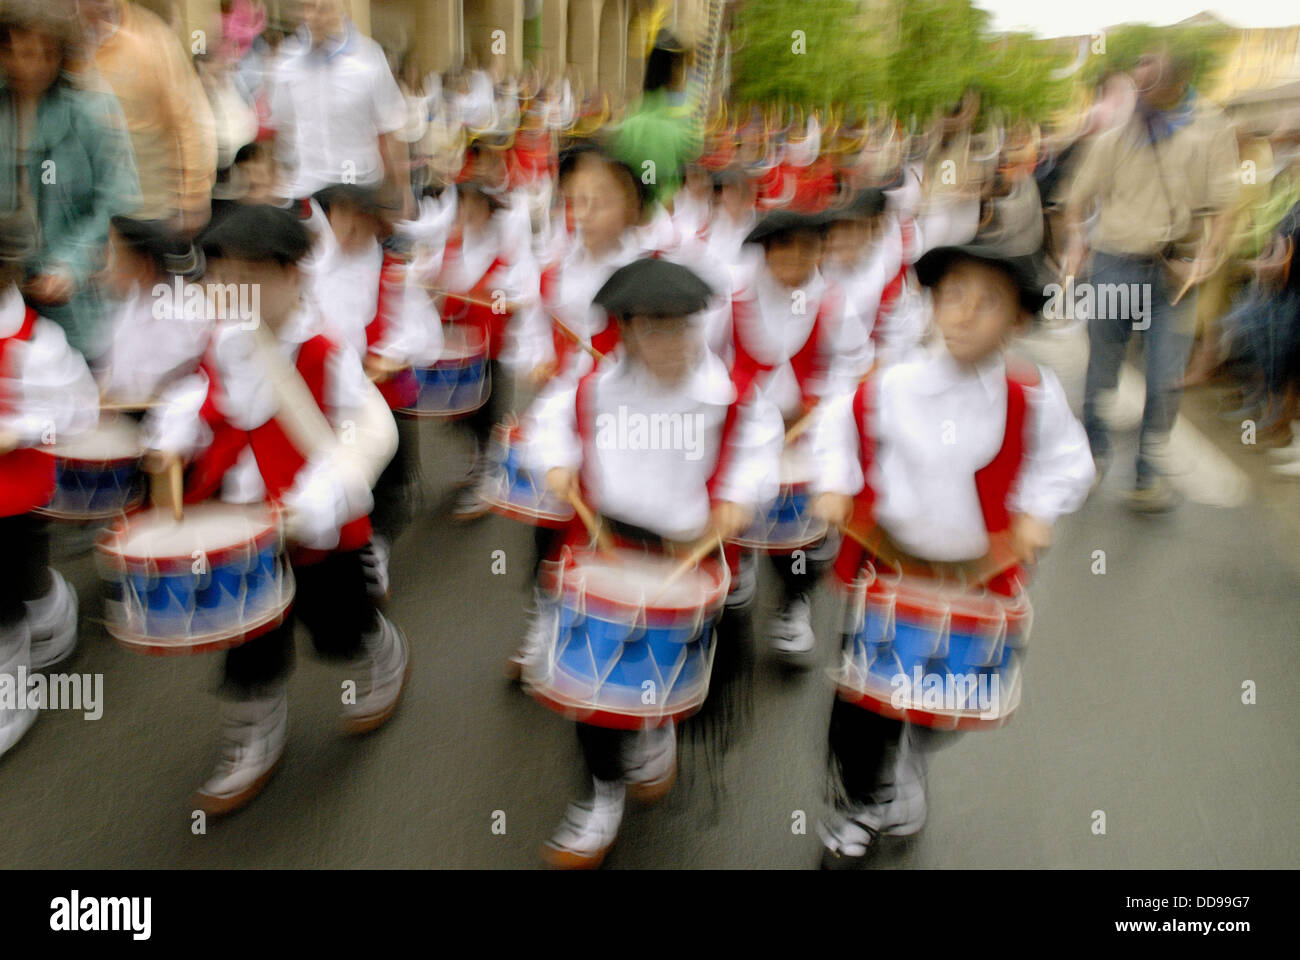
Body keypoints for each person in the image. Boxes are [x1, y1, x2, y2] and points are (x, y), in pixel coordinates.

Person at [809, 240, 1094, 866]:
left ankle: (912, 761)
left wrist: (1040, 511)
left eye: (987, 302)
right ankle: (862, 803)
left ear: (1017, 322)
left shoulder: (1030, 394)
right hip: (890, 569)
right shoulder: (894, 385)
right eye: (952, 296)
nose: (964, 314)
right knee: (864, 707)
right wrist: (835, 483)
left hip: (973, 580)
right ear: (933, 306)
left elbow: (1070, 463)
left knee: (943, 707)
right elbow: (837, 425)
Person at [141, 204, 408, 815]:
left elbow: (369, 436)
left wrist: (319, 500)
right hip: (246, 526)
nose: (230, 291)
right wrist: (178, 428)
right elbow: (208, 397)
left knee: (341, 627)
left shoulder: (323, 350)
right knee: (246, 637)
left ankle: (383, 650)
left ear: (293, 275)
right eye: (221, 276)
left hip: (317, 529)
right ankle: (255, 733)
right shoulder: (225, 342)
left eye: (248, 275)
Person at [524, 256, 782, 868]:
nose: (669, 340)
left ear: (700, 324)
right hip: (610, 546)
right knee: (596, 690)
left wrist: (739, 500)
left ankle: (656, 728)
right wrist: (555, 459)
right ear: (629, 331)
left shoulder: (731, 397)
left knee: (660, 666)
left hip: (683, 556)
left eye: (682, 325)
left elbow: (757, 451)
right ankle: (600, 792)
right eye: (652, 327)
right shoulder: (593, 384)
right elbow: (547, 422)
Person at [1063, 46, 1239, 511]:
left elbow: (1224, 204)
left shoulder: (1212, 129)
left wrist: (1205, 258)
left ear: (1177, 81)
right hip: (1114, 265)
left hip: (1173, 275)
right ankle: (1092, 455)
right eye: (1137, 72)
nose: (1139, 82)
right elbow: (1076, 198)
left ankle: (1146, 472)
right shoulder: (1115, 137)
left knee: (1164, 378)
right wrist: (1078, 245)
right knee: (1101, 370)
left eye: (1150, 75)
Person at [727, 209, 872, 663]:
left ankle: (794, 602)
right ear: (766, 252)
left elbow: (852, 366)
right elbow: (707, 364)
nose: (798, 259)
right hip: (744, 432)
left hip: (808, 436)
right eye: (786, 248)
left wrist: (821, 410)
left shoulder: (833, 304)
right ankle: (741, 562)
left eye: (809, 249)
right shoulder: (733, 301)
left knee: (803, 537)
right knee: (733, 507)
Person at [304, 183, 440, 591]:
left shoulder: (392, 273)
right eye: (341, 216)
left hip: (383, 397)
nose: (349, 226)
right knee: (334, 474)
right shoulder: (307, 270)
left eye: (360, 217)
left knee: (387, 486)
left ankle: (376, 543)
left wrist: (391, 354)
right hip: (328, 399)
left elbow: (424, 334)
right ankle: (342, 542)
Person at [0, 209, 99, 756]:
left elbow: (79, 411)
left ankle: (12, 702)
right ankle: (49, 603)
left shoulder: (37, 342)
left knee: (4, 597)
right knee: (19, 585)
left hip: (13, 491)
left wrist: (17, 431)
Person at [0, 0, 140, 358]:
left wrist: (71, 264)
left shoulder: (91, 111)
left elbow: (115, 202)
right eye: (20, 51)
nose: (31, 65)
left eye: (45, 53)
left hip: (73, 294)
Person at [74, 0, 215, 233]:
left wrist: (194, 192)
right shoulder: (65, 37)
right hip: (85, 209)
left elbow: (190, 119)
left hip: (145, 209)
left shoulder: (152, 38)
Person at [268, 0, 409, 215]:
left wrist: (403, 191)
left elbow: (392, 128)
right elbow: (282, 128)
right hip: (306, 188)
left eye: (324, 7)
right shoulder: (288, 61)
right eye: (308, 7)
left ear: (343, 9)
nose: (315, 16)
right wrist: (277, 182)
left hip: (357, 186)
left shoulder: (368, 58)